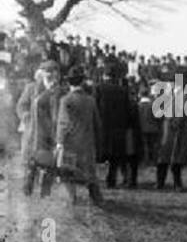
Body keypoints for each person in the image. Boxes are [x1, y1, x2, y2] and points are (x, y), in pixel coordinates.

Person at [53, 66, 104, 206]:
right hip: (87, 143)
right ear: (82, 82)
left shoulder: (66, 100)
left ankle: (72, 198)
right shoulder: (91, 100)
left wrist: (59, 142)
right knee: (90, 173)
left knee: (68, 173)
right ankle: (97, 199)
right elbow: (97, 123)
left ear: (69, 83)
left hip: (70, 144)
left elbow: (63, 123)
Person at [19, 61, 60, 197]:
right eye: (47, 72)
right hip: (33, 132)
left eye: (53, 72)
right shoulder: (31, 88)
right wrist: (26, 116)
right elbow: (21, 105)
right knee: (30, 163)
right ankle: (27, 190)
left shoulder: (59, 91)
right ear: (41, 74)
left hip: (50, 133)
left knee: (48, 164)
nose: (50, 75)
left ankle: (45, 194)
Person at [96, 65, 139, 189]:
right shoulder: (122, 91)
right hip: (118, 128)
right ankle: (111, 178)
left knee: (99, 155)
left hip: (103, 127)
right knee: (115, 156)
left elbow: (95, 108)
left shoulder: (98, 88)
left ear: (104, 76)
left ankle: (95, 179)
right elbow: (126, 110)